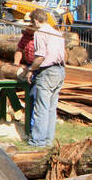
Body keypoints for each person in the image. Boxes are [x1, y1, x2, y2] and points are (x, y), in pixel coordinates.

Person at [24, 8, 66, 147]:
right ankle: (48, 140)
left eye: (32, 22)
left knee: (41, 108)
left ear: (36, 20)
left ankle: (38, 141)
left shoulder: (40, 33)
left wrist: (31, 69)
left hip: (47, 71)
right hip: (60, 70)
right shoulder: (56, 32)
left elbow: (41, 56)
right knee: (51, 108)